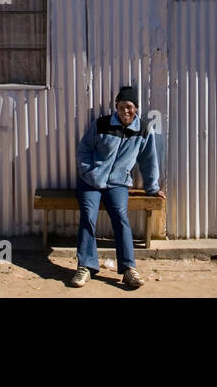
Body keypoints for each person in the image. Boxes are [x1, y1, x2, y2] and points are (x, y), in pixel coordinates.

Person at [70, 85, 164, 288]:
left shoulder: (143, 129)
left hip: (118, 183)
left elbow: (149, 161)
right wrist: (89, 172)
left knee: (121, 217)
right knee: (88, 216)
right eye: (121, 107)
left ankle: (129, 269)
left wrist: (152, 188)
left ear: (136, 108)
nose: (125, 111)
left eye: (129, 107)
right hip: (91, 182)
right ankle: (85, 266)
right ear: (116, 106)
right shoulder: (101, 124)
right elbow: (83, 150)